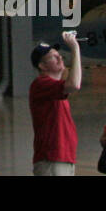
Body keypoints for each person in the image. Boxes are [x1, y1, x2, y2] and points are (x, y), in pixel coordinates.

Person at [29, 31, 82, 175]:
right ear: (42, 66)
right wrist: (75, 49)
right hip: (52, 158)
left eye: (59, 55)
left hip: (64, 157)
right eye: (54, 57)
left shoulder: (55, 88)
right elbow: (75, 84)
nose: (60, 58)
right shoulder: (41, 84)